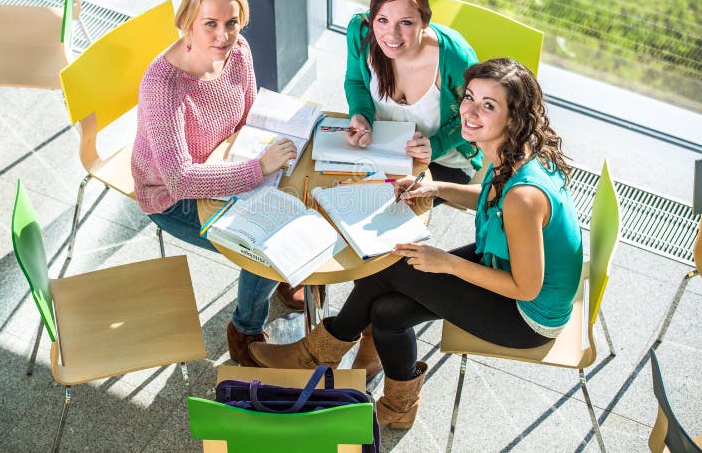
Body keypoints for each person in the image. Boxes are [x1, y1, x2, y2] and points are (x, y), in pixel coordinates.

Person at [248, 58, 583, 430]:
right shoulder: (517, 152)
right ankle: (396, 407)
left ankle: (316, 355)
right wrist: (438, 188)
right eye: (470, 97)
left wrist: (447, 262)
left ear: (514, 116)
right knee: (387, 313)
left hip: (527, 315)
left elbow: (527, 286)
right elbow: (491, 198)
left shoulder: (524, 194)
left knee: (389, 264)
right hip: (502, 263)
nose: (470, 112)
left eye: (488, 105)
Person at [131, 0, 300, 367]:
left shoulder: (238, 51)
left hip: (225, 162)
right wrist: (257, 169)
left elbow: (247, 118)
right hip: (172, 197)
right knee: (265, 248)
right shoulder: (162, 84)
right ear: (187, 20)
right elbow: (180, 179)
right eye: (210, 24)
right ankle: (244, 328)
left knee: (297, 200)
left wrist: (260, 162)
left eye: (231, 22)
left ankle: (277, 277)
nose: (224, 36)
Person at [342, 0, 482, 381]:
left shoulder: (453, 56)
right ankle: (355, 328)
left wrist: (435, 146)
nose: (392, 35)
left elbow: (477, 120)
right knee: (336, 204)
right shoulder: (360, 32)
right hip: (383, 147)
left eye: (407, 22)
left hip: (443, 161)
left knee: (384, 229)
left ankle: (357, 335)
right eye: (383, 20)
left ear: (425, 19)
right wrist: (362, 116)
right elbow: (355, 81)